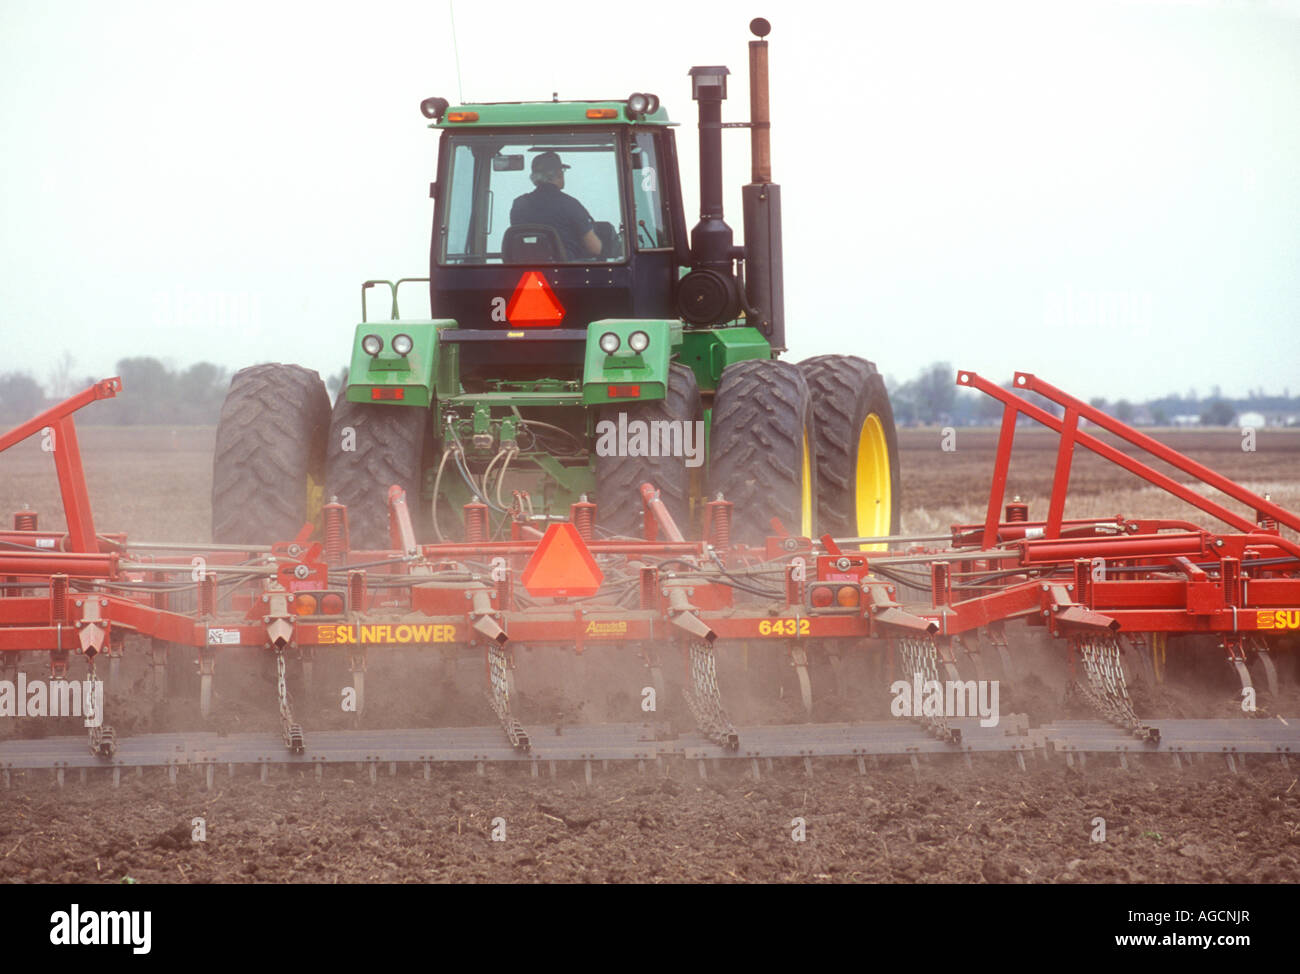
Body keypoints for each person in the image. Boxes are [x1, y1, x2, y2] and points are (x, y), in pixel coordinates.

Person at [510, 151, 603, 259]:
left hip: (525, 265)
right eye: (562, 171)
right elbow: (595, 248)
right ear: (559, 174)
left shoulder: (519, 204)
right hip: (565, 271)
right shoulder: (570, 204)